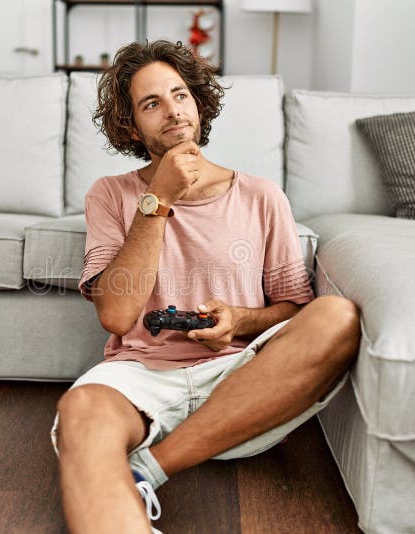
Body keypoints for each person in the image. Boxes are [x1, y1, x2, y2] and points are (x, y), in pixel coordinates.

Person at [52, 40, 360, 534]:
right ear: (132, 125)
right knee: (81, 409)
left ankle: (150, 468)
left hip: (243, 376)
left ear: (198, 102)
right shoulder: (111, 194)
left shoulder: (261, 195)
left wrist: (241, 320)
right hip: (143, 377)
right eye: (151, 103)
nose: (172, 111)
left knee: (338, 315)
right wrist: (158, 199)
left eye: (179, 95)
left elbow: (295, 310)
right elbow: (115, 315)